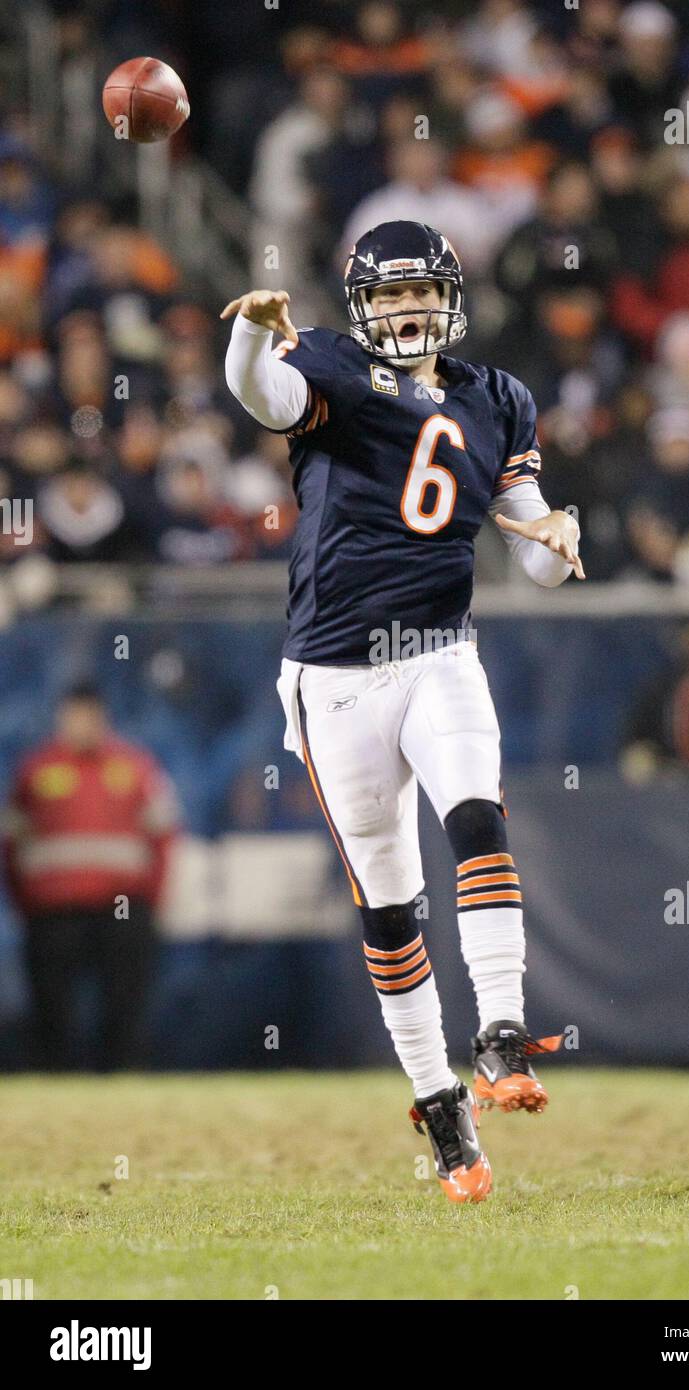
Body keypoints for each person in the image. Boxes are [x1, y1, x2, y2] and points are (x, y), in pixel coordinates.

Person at [221, 220, 583, 1204]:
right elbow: (263, 395)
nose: (406, 308)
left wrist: (559, 532)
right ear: (361, 305)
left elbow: (541, 561)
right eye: (387, 295)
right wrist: (251, 336)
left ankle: (503, 1032)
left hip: (438, 652)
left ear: (450, 295)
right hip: (333, 675)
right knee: (389, 905)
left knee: (475, 815)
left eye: (420, 291)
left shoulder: (498, 397)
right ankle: (440, 1103)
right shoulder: (331, 365)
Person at [2, 684, 180, 1071]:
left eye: (88, 716)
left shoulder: (134, 766)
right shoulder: (36, 770)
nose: (80, 725)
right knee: (52, 1009)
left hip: (121, 907)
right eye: (73, 716)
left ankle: (124, 1081)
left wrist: (152, 902)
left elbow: (164, 836)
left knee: (125, 1006)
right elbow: (11, 844)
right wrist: (28, 904)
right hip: (54, 913)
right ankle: (54, 1085)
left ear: (102, 718)